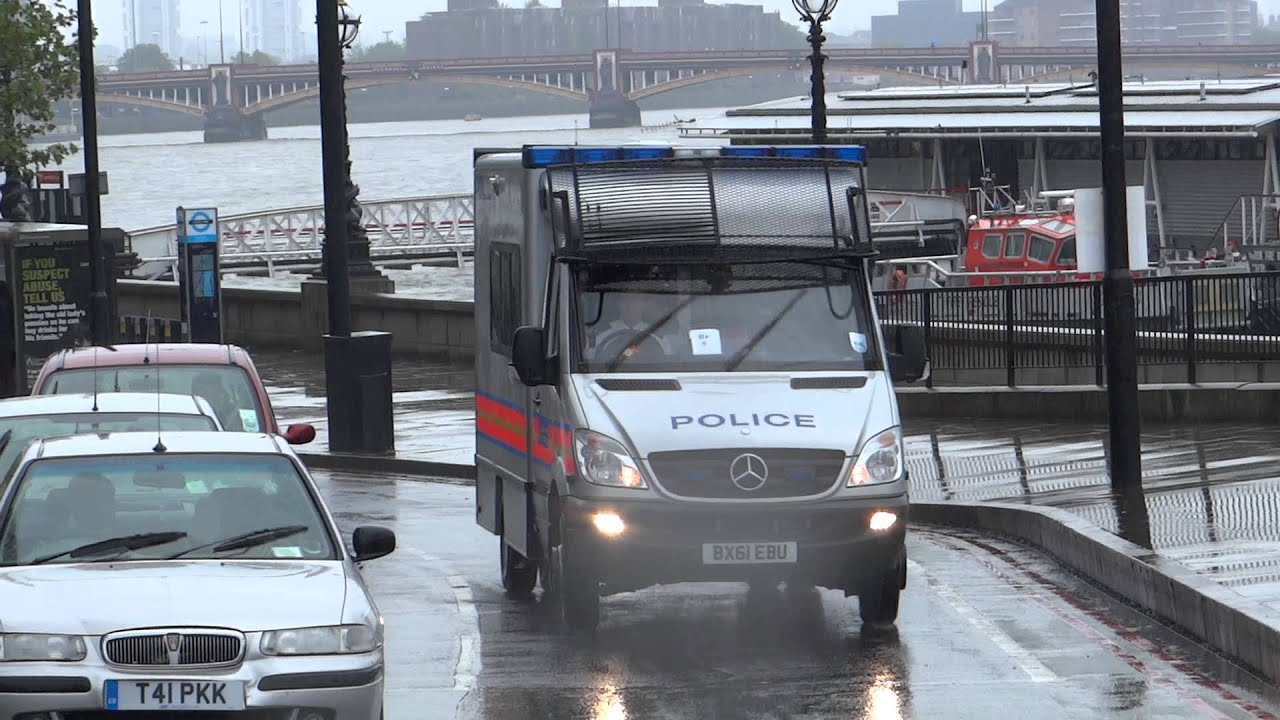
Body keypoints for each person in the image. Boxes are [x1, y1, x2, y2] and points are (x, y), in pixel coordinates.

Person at [589, 292, 671, 361]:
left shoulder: (657, 334)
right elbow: (593, 358)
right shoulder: (604, 333)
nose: (630, 305)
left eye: (635, 300)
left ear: (644, 305)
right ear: (619, 304)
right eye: (625, 300)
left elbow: (667, 361)